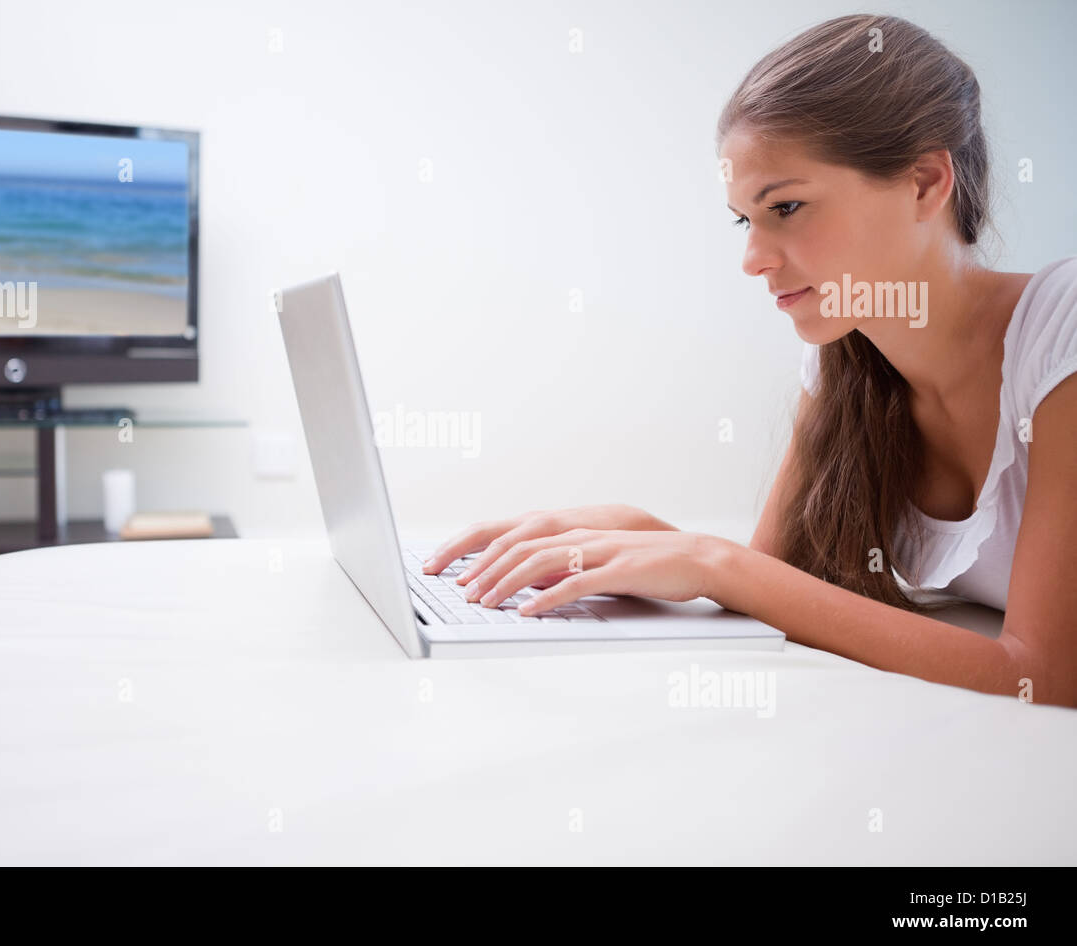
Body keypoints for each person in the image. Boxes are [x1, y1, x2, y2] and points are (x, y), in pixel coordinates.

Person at [421, 14, 1077, 707]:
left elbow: (1044, 675)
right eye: (745, 219)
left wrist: (713, 559)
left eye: (787, 206)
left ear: (923, 183)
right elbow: (773, 585)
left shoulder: (1060, 329)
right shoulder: (842, 358)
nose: (754, 260)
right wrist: (638, 533)